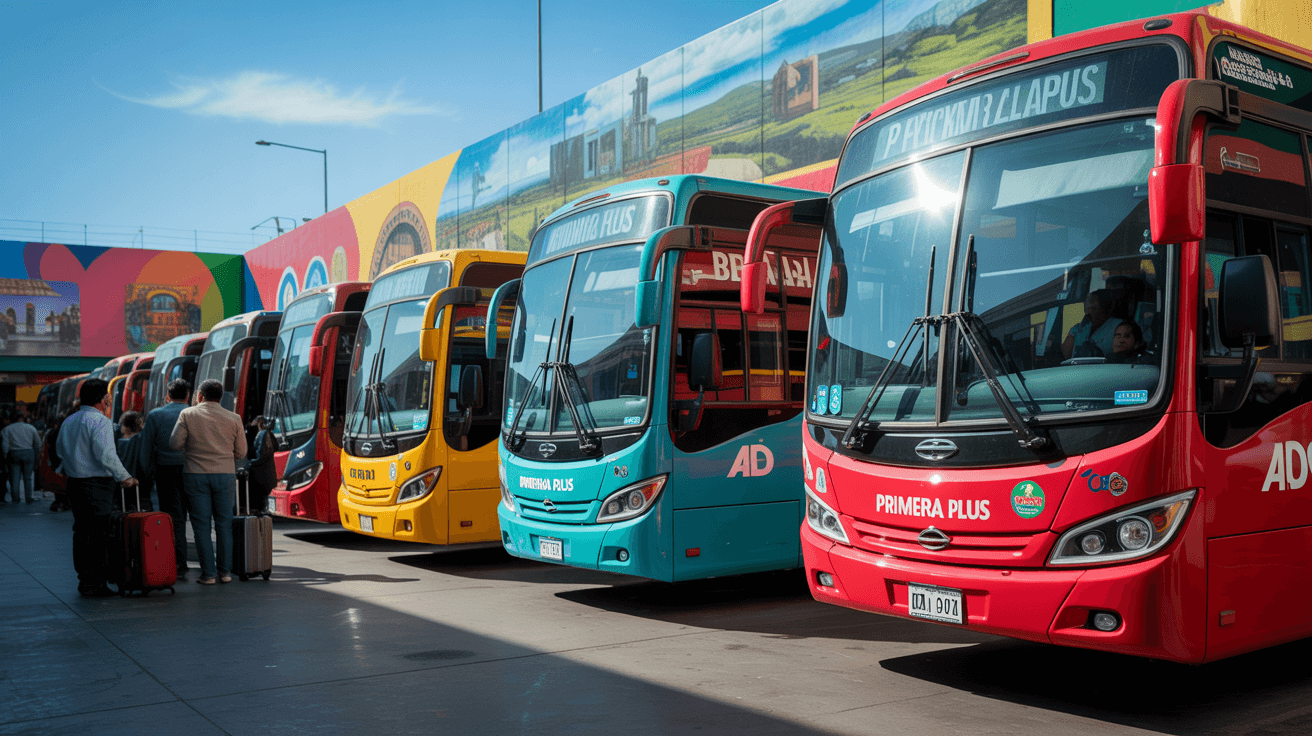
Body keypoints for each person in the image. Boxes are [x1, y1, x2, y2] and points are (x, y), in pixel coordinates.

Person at [56, 379, 137, 597]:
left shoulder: (69, 421)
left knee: (82, 532)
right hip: (97, 486)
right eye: (108, 400)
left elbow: (60, 452)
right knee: (98, 534)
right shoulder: (100, 422)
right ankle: (97, 582)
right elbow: (106, 455)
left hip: (75, 484)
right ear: (103, 400)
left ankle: (85, 580)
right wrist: (125, 477)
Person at [170, 379, 245, 585]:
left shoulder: (187, 414)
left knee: (201, 526)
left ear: (200, 396)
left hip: (195, 475)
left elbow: (175, 443)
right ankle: (225, 573)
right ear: (219, 397)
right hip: (225, 475)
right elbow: (242, 451)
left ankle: (208, 575)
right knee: (224, 525)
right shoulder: (234, 417)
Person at [142, 379, 192, 578]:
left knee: (173, 517)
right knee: (196, 516)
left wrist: (146, 475)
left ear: (167, 397)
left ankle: (178, 561)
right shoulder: (194, 413)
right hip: (193, 470)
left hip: (165, 471)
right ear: (188, 396)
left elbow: (145, 449)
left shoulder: (155, 415)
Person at [1062, 289, 1118, 360]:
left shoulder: (1118, 326)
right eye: (1087, 308)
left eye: (1093, 308)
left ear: (1106, 308)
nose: (1088, 312)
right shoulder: (1078, 328)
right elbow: (1066, 355)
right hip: (1076, 369)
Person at [3, 411, 43, 503]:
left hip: (13, 453)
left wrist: (5, 456)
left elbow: (5, 445)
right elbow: (38, 443)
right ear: (22, 418)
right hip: (28, 453)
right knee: (28, 477)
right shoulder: (31, 428)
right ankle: (28, 498)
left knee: (15, 477)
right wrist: (37, 454)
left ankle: (16, 498)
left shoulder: (7, 429)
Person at [115, 411, 152, 511]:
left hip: (122, 485)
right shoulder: (144, 442)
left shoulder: (118, 443)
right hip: (141, 485)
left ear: (127, 428)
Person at [245, 416, 277, 513]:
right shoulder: (270, 434)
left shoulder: (261, 434)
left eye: (254, 422)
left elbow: (260, 456)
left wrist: (249, 464)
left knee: (258, 507)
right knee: (262, 506)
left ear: (258, 422)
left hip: (260, 476)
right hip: (269, 475)